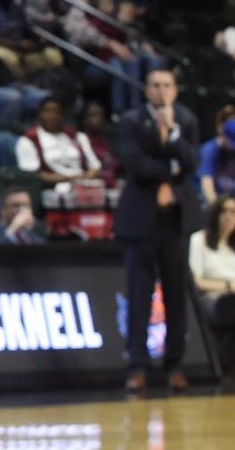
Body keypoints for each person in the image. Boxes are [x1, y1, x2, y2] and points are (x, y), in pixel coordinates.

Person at [118, 68, 201, 395]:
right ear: (146, 90)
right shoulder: (131, 120)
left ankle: (175, 364)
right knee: (139, 295)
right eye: (155, 85)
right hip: (140, 217)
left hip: (175, 218)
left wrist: (174, 137)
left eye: (167, 85)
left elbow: (193, 161)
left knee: (177, 294)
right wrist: (169, 173)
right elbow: (135, 162)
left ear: (176, 89)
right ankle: (137, 366)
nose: (161, 91)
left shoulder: (187, 119)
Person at [190, 196, 235, 373]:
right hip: (212, 299)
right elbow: (197, 280)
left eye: (233, 212)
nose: (228, 216)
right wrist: (229, 286)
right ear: (215, 213)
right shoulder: (199, 240)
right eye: (224, 211)